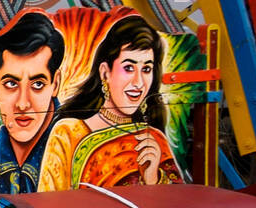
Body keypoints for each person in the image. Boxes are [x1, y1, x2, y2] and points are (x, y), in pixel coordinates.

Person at [38, 13, 183, 191]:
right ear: (105, 72)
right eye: (128, 68)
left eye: (146, 69)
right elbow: (52, 207)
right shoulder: (69, 134)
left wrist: (153, 179)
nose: (138, 82)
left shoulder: (154, 140)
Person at [0, 10, 65, 196]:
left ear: (55, 84)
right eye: (11, 84)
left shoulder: (71, 145)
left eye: (37, 84)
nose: (23, 104)